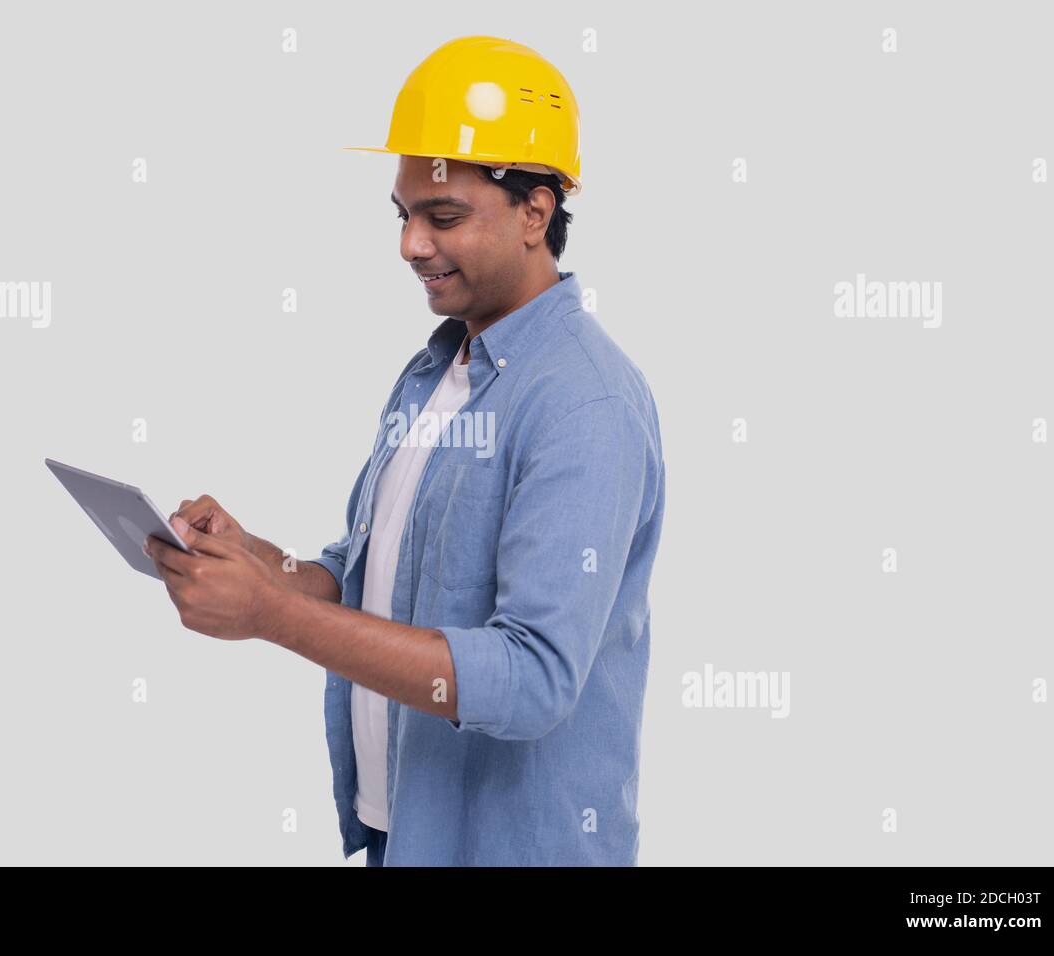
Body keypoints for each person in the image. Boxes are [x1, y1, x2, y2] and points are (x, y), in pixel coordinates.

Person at [145, 35, 666, 866]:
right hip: (406, 836)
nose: (410, 245)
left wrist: (271, 615)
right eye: (404, 216)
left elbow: (532, 678)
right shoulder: (433, 373)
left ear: (537, 211)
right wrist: (255, 562)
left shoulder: (584, 402)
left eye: (444, 217)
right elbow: (367, 581)